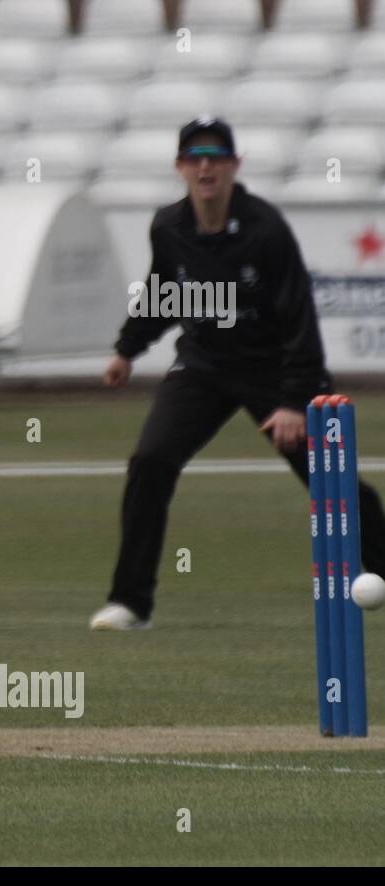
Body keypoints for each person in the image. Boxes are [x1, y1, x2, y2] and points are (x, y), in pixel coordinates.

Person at [91, 117, 385, 630]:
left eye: (216, 157)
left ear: (234, 166)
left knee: (334, 484)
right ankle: (131, 603)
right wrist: (126, 350)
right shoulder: (168, 226)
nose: (206, 167)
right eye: (195, 158)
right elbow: (163, 290)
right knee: (150, 462)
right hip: (203, 365)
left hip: (274, 371)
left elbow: (298, 316)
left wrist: (294, 402)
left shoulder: (264, 229)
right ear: (181, 167)